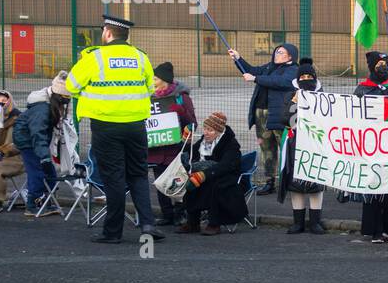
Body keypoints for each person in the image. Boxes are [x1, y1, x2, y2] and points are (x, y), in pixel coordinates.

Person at [56, 14, 162, 244]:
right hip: (136, 125)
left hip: (106, 127)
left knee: (114, 178)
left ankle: (113, 232)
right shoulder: (141, 57)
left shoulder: (94, 58)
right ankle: (148, 224)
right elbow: (150, 88)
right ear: (127, 35)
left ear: (107, 33)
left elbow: (71, 86)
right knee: (138, 174)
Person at [228, 41, 298, 195]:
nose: (276, 54)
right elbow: (252, 71)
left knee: (286, 149)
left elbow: (281, 82)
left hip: (279, 116)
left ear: (290, 56)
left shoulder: (293, 70)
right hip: (261, 114)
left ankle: (290, 181)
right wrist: (238, 59)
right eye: (276, 51)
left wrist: (255, 79)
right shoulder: (269, 67)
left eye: (281, 52)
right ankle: (270, 181)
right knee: (267, 149)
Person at [353, 52, 388, 243]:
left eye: (387, 64)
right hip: (371, 145)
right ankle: (375, 229)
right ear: (373, 67)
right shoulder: (363, 88)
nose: (383, 67)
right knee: (374, 188)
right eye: (380, 64)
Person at [177, 111, 248, 235]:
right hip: (208, 174)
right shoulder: (204, 141)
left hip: (228, 178)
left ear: (219, 131)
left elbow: (225, 166)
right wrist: (186, 141)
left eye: (210, 130)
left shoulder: (231, 144)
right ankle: (193, 223)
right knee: (190, 182)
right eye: (205, 128)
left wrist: (203, 175)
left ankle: (214, 223)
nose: (205, 132)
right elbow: (191, 155)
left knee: (214, 186)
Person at [12, 73, 72, 217]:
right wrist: (44, 156)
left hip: (33, 140)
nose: (67, 103)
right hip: (27, 141)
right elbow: (38, 134)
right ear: (58, 97)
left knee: (50, 172)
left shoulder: (48, 105)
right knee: (37, 171)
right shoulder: (42, 109)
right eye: (66, 99)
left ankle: (44, 200)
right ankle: (32, 204)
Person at [278, 58, 327, 236]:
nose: (306, 79)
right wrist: (293, 102)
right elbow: (284, 118)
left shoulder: (323, 96)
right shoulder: (290, 95)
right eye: (303, 76)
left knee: (315, 184)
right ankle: (297, 222)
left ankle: (315, 222)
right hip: (294, 144)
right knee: (296, 183)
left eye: (309, 76)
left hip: (316, 144)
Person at [146, 62, 197, 227]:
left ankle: (179, 213)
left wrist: (181, 112)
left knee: (177, 182)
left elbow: (192, 123)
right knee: (160, 181)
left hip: (175, 149)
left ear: (164, 80)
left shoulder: (181, 97)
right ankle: (166, 214)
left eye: (155, 78)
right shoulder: (148, 98)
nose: (152, 81)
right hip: (155, 148)